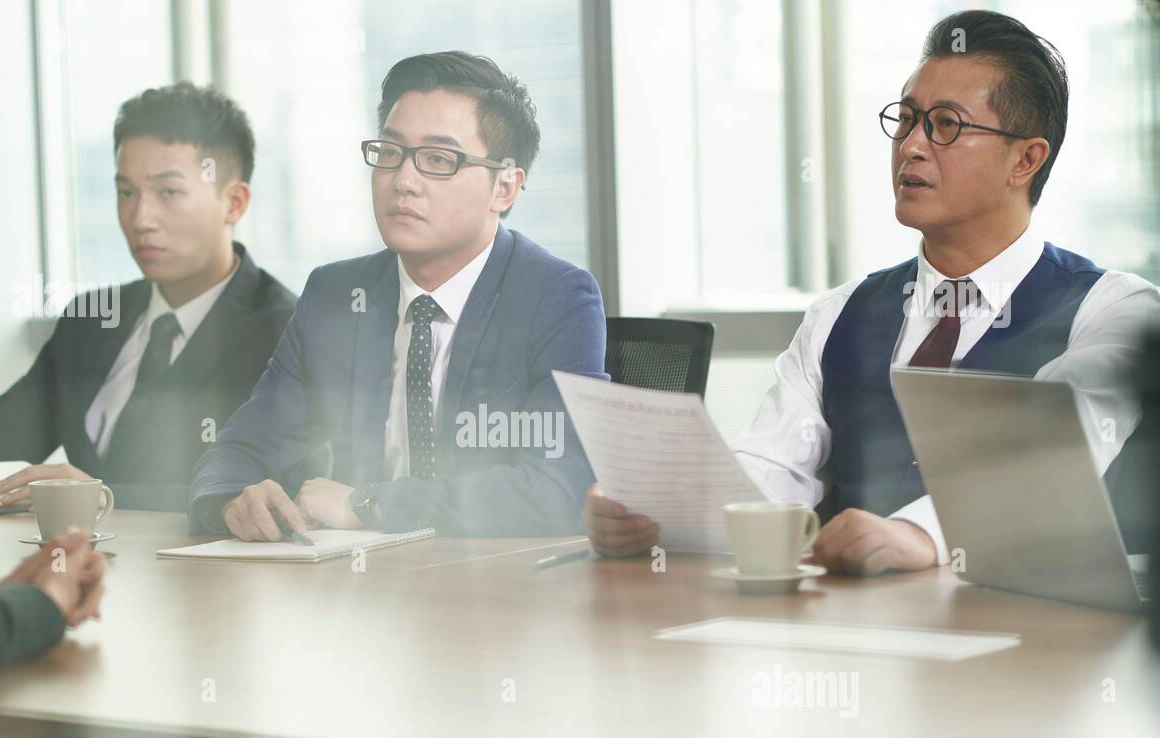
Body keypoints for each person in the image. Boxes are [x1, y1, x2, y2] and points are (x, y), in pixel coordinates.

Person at [585, 10, 1160, 573]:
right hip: (856, 635)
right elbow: (771, 467)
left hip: (1035, 644)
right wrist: (656, 509)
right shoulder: (840, 314)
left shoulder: (1114, 312)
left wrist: (918, 534)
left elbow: (1053, 452)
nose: (910, 146)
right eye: (906, 119)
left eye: (945, 125)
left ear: (1026, 159)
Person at [189, 52, 606, 539]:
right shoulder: (338, 295)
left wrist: (371, 503)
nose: (403, 181)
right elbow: (238, 450)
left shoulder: (556, 298)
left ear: (505, 188)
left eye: (438, 160)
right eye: (389, 153)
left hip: (494, 589)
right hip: (358, 592)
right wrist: (233, 498)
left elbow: (558, 485)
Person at [0, 82, 297, 512]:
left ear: (234, 202)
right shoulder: (91, 318)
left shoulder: (287, 331)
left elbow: (281, 492)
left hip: (205, 577)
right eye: (126, 192)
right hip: (80, 568)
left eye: (168, 192)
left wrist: (101, 497)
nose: (140, 218)